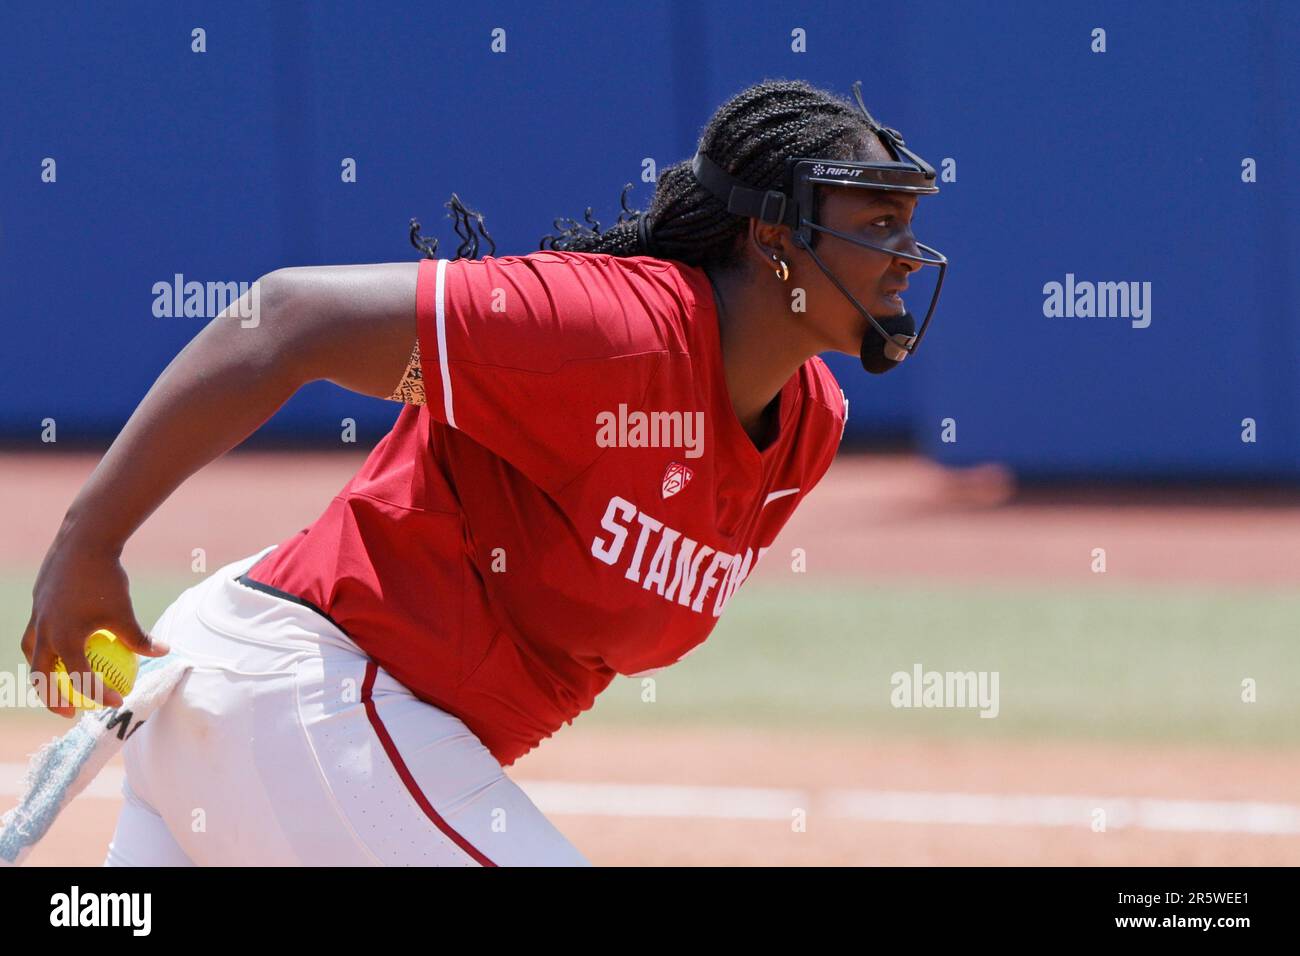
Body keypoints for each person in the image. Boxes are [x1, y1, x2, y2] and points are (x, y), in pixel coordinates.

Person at [19, 78, 945, 866]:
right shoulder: (608, 335)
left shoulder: (806, 430)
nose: (906, 256)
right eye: (879, 223)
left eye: (909, 225)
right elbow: (286, 320)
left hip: (288, 731)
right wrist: (87, 543)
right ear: (774, 239)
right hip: (304, 692)